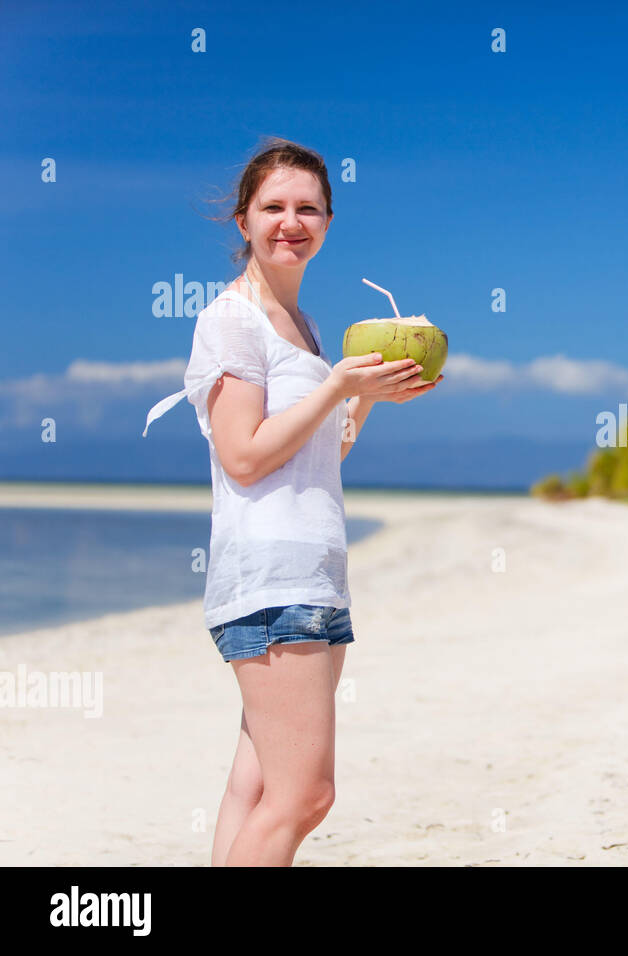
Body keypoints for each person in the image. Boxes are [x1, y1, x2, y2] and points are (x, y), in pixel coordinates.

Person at [142, 137, 442, 865]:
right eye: (273, 206)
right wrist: (339, 387)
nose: (291, 221)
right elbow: (242, 454)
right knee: (305, 795)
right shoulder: (231, 319)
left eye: (308, 208)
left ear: (329, 223)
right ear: (242, 220)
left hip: (316, 575)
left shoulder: (304, 331)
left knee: (257, 787)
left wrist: (365, 399)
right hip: (270, 581)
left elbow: (317, 452)